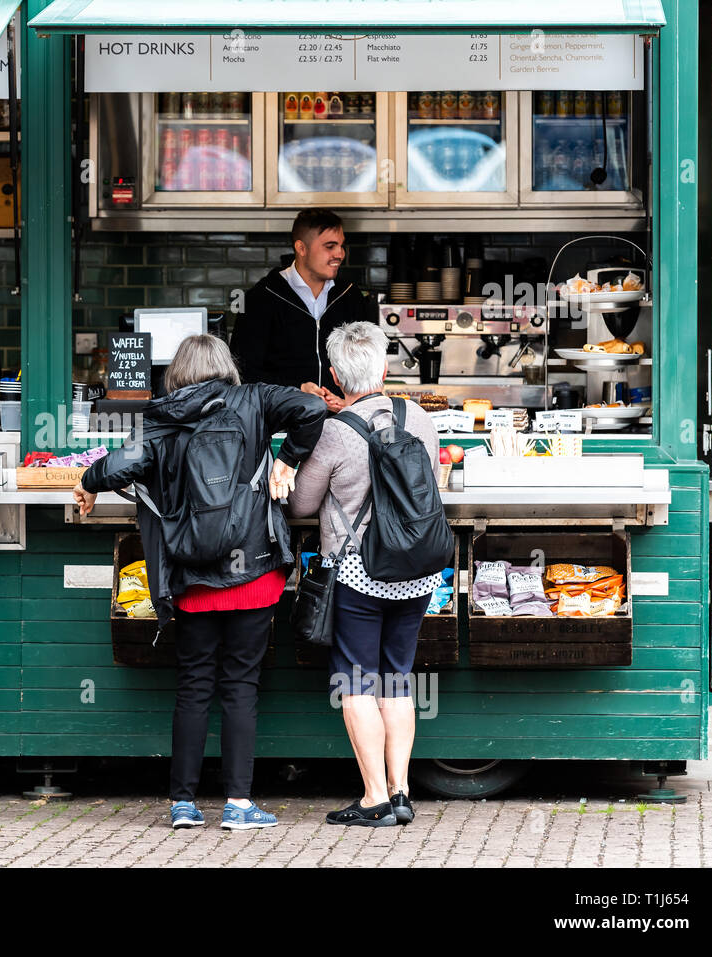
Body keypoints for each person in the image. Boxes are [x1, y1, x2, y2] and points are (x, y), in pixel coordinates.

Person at [73, 334, 326, 831]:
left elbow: (121, 466)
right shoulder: (254, 399)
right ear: (226, 366)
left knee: (192, 688)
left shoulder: (162, 417)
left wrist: (87, 480)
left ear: (177, 373)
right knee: (240, 688)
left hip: (189, 577)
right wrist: (288, 459)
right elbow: (312, 408)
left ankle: (183, 805)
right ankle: (237, 805)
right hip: (252, 572)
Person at [285, 321, 443, 828]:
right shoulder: (419, 418)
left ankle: (374, 797)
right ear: (384, 366)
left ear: (334, 373)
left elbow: (303, 503)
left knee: (356, 681)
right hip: (417, 573)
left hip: (358, 573)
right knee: (397, 678)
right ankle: (401, 791)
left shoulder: (335, 431)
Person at [230, 208, 378, 411]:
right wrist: (296, 389)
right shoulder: (260, 298)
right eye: (330, 246)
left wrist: (351, 402)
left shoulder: (350, 296)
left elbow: (368, 365)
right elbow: (242, 372)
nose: (340, 254)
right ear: (301, 248)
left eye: (341, 246)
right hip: (281, 427)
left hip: (342, 423)